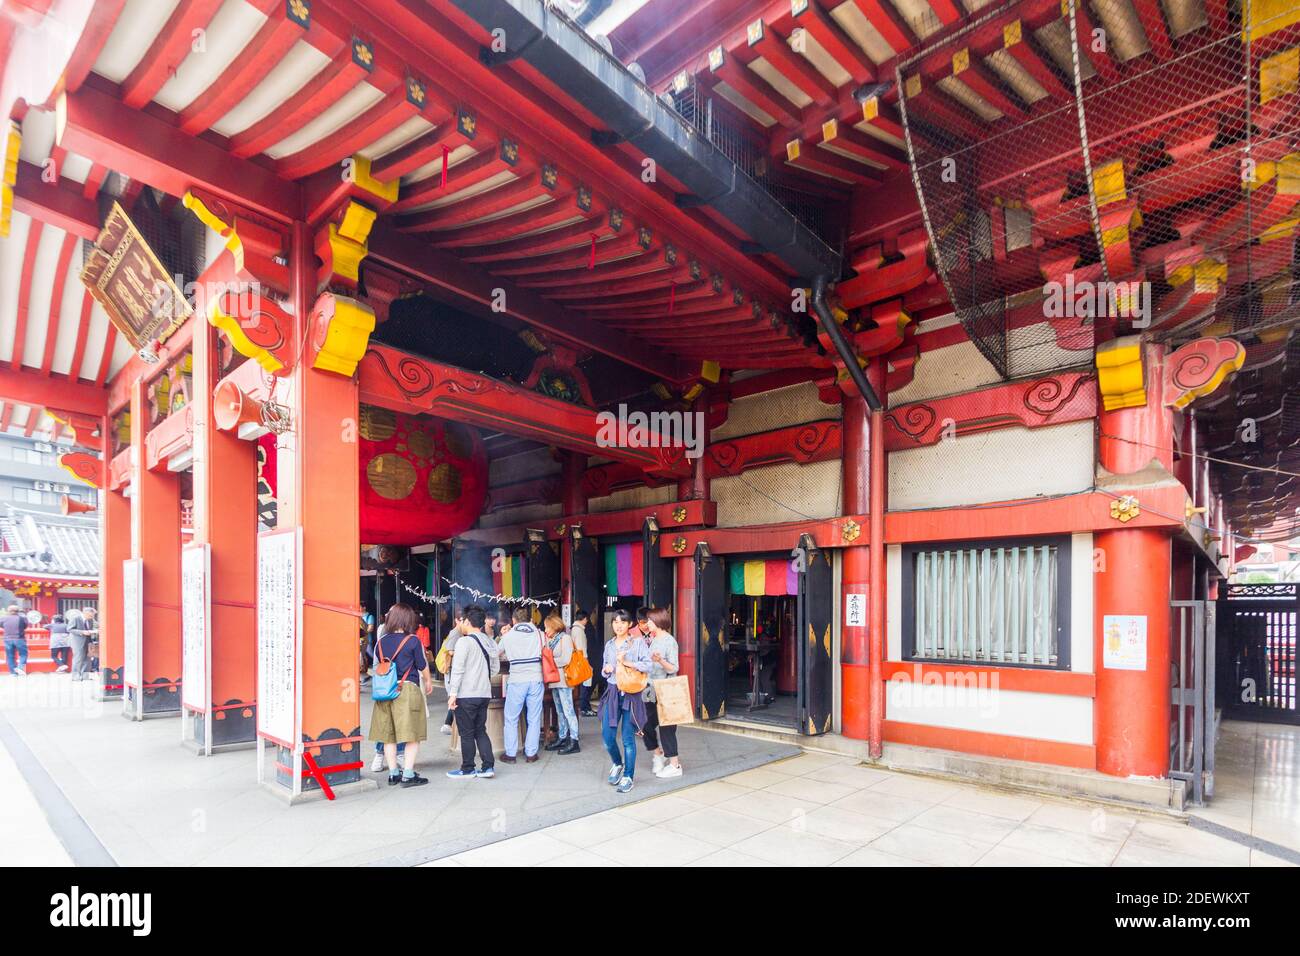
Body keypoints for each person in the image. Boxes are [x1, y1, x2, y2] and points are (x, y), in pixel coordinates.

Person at [366, 604, 432, 788]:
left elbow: (377, 667)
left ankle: (393, 773)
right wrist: (427, 681)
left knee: (388, 735)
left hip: (385, 692)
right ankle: (408, 775)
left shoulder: (380, 642)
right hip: (407, 690)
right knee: (412, 734)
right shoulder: (412, 640)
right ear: (407, 620)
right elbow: (421, 664)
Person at [444, 604, 500, 779]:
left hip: (466, 694)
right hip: (484, 693)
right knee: (480, 731)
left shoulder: (464, 641)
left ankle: (467, 768)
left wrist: (452, 695)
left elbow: (458, 670)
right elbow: (495, 668)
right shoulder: (489, 641)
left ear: (467, 621)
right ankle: (488, 767)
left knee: (466, 733)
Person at [600, 609, 651, 794]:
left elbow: (648, 665)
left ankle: (628, 776)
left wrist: (628, 663)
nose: (618, 625)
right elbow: (604, 670)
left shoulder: (637, 643)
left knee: (628, 739)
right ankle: (617, 763)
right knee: (607, 737)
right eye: (615, 622)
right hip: (613, 691)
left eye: (623, 622)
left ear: (630, 624)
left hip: (630, 693)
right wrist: (606, 669)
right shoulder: (609, 645)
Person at [499, 606, 546, 763]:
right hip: (536, 678)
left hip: (517, 680)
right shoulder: (540, 635)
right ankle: (531, 754)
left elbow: (495, 653)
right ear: (530, 619)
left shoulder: (508, 636)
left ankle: (511, 754)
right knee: (534, 717)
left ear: (513, 620)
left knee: (511, 718)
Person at [641, 607, 682, 778]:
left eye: (649, 621)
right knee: (643, 724)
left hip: (666, 690)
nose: (647, 624)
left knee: (667, 728)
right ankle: (658, 754)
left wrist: (660, 660)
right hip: (650, 690)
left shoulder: (669, 641)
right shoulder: (652, 639)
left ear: (658, 621)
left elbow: (674, 667)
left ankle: (675, 765)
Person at [543, 613, 580, 755]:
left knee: (568, 710)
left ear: (554, 626)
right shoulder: (551, 640)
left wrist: (549, 664)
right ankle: (563, 737)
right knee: (559, 711)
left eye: (547, 627)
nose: (546, 630)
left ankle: (574, 740)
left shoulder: (565, 638)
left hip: (564, 680)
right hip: (554, 680)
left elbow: (565, 659)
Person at [572, 609, 596, 716]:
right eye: (586, 620)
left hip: (577, 661)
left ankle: (584, 706)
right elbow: (582, 650)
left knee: (583, 685)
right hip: (582, 661)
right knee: (585, 685)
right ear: (584, 619)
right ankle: (584, 707)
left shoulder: (574, 629)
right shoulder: (579, 631)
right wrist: (586, 664)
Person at [2, 605, 28, 676]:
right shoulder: (22, 618)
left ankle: (13, 673)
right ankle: (20, 667)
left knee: (10, 656)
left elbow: (2, 626)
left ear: (8, 611)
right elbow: (25, 626)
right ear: (18, 611)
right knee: (23, 654)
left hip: (7, 639)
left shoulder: (3, 618)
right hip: (19, 639)